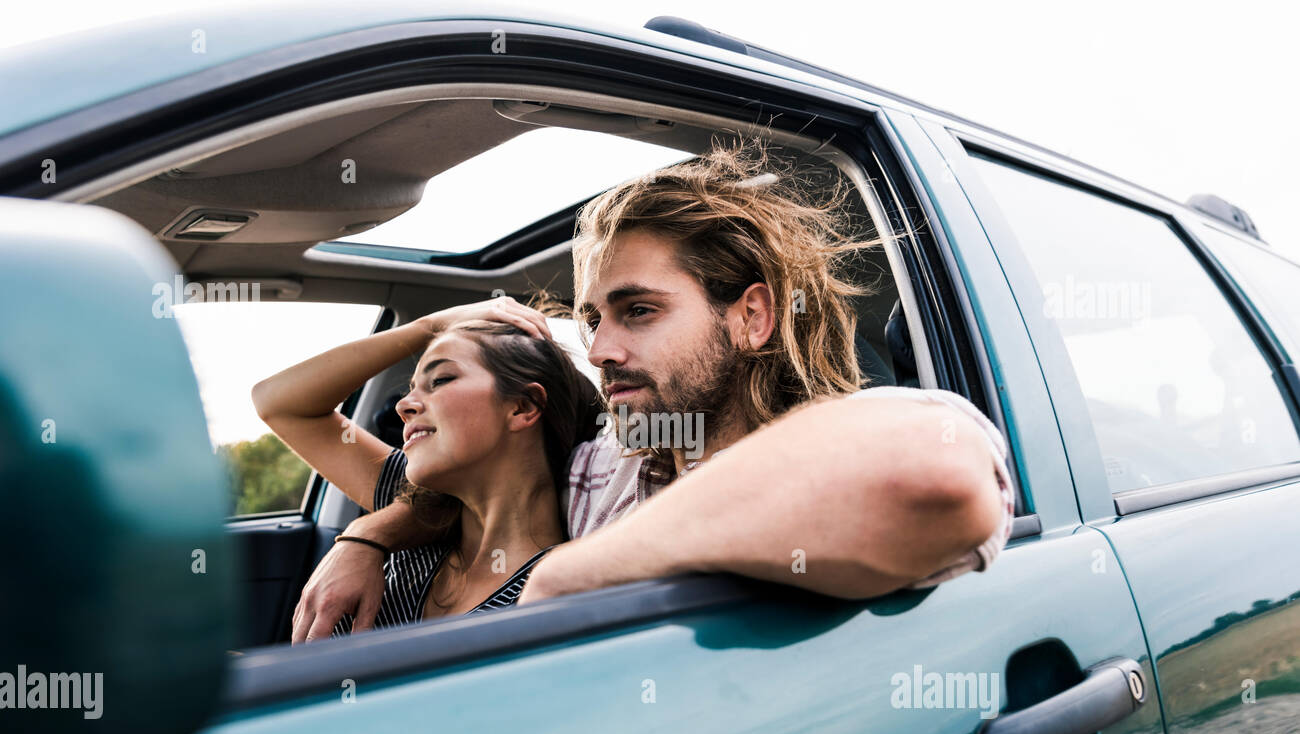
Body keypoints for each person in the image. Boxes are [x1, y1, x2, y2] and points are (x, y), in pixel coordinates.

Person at [290, 138, 1017, 643]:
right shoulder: (609, 466)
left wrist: (568, 578)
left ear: (752, 317)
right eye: (592, 319)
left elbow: (938, 479)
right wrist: (368, 534)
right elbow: (478, 491)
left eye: (639, 310)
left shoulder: (836, 437)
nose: (601, 350)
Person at [251, 302, 603, 642]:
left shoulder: (559, 588)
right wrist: (428, 326)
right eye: (412, 388)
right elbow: (276, 401)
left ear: (522, 407)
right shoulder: (420, 505)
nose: (404, 406)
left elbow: (282, 406)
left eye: (441, 379)